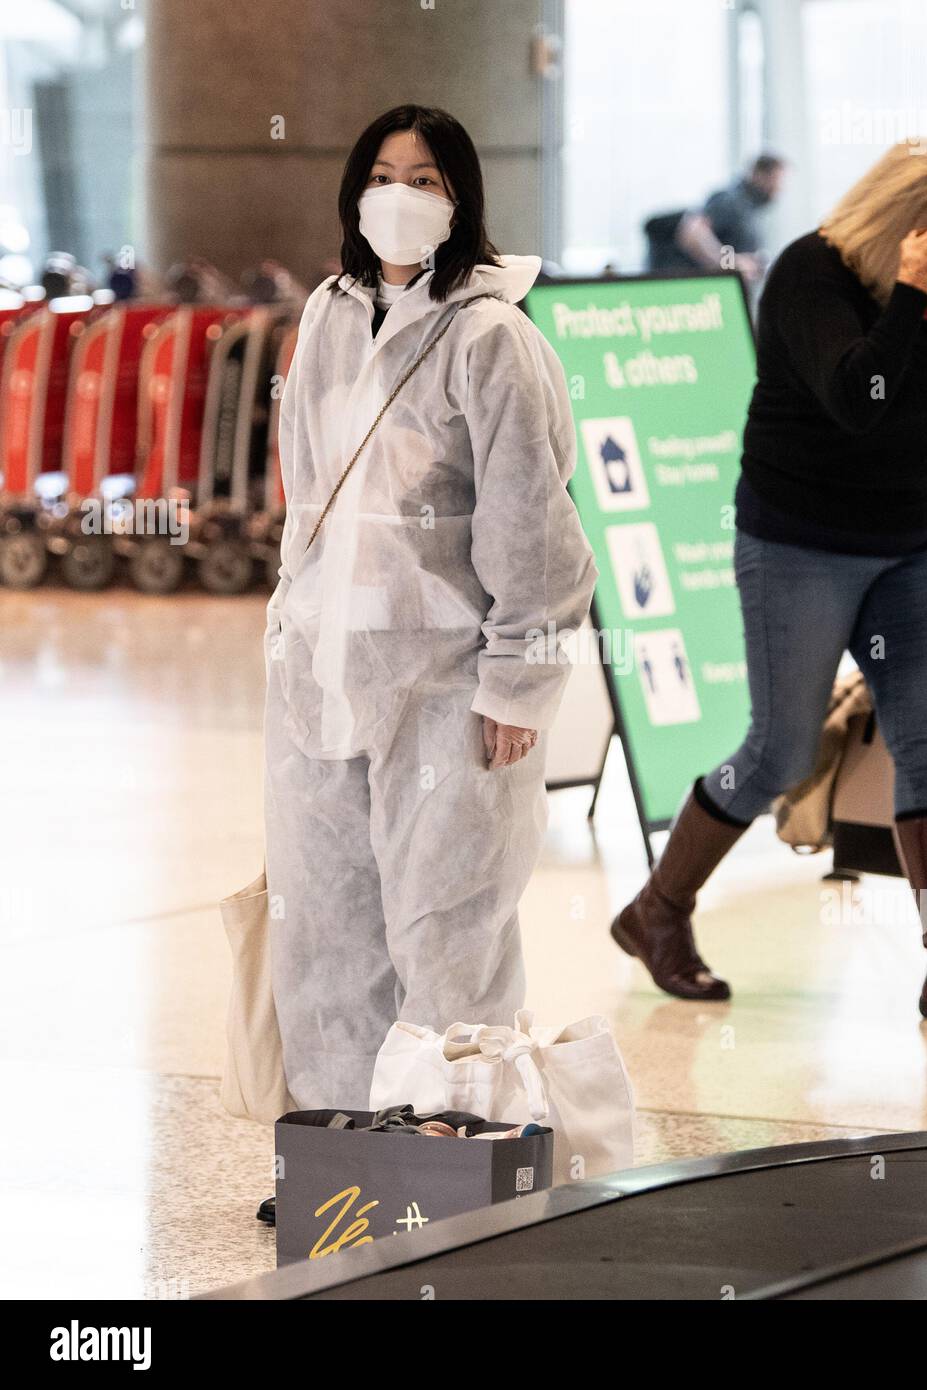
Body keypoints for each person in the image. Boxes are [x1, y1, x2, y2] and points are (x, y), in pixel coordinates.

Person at [611, 141, 927, 1028]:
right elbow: (861, 395)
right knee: (779, 752)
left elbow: (920, 424)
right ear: (908, 215)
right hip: (799, 547)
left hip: (905, 551)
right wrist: (907, 296)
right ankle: (655, 911)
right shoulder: (808, 273)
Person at [264, 104, 598, 1111]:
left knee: (446, 924)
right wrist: (290, 631)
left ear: (461, 199)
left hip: (450, 677)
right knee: (325, 923)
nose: (398, 197)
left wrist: (518, 683)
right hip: (322, 670)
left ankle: (458, 1138)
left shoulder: (491, 337)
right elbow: (306, 490)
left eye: (425, 180)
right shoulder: (327, 312)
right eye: (381, 174)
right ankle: (339, 1144)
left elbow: (533, 532)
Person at [676, 153, 785, 289]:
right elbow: (692, 232)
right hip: (715, 292)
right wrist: (729, 261)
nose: (779, 188)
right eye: (776, 180)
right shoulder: (730, 201)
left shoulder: (751, 209)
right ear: (758, 175)